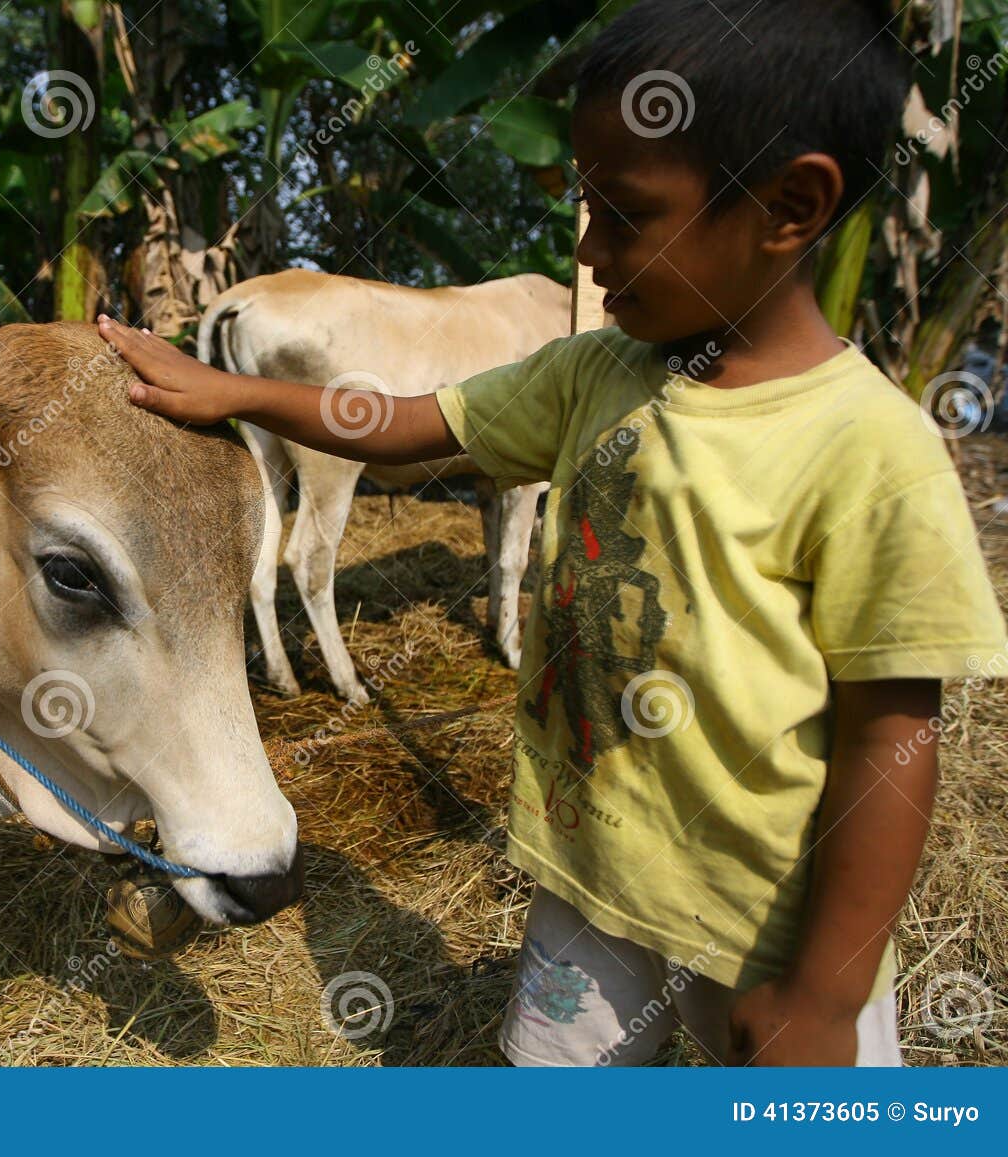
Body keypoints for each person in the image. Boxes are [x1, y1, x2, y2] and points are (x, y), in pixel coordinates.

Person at [95, 0, 1007, 1066]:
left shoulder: (874, 453)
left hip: (765, 928)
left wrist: (828, 988)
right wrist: (236, 392)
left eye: (623, 214)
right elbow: (409, 423)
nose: (587, 249)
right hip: (587, 877)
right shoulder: (590, 374)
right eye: (586, 206)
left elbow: (893, 738)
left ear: (790, 207)